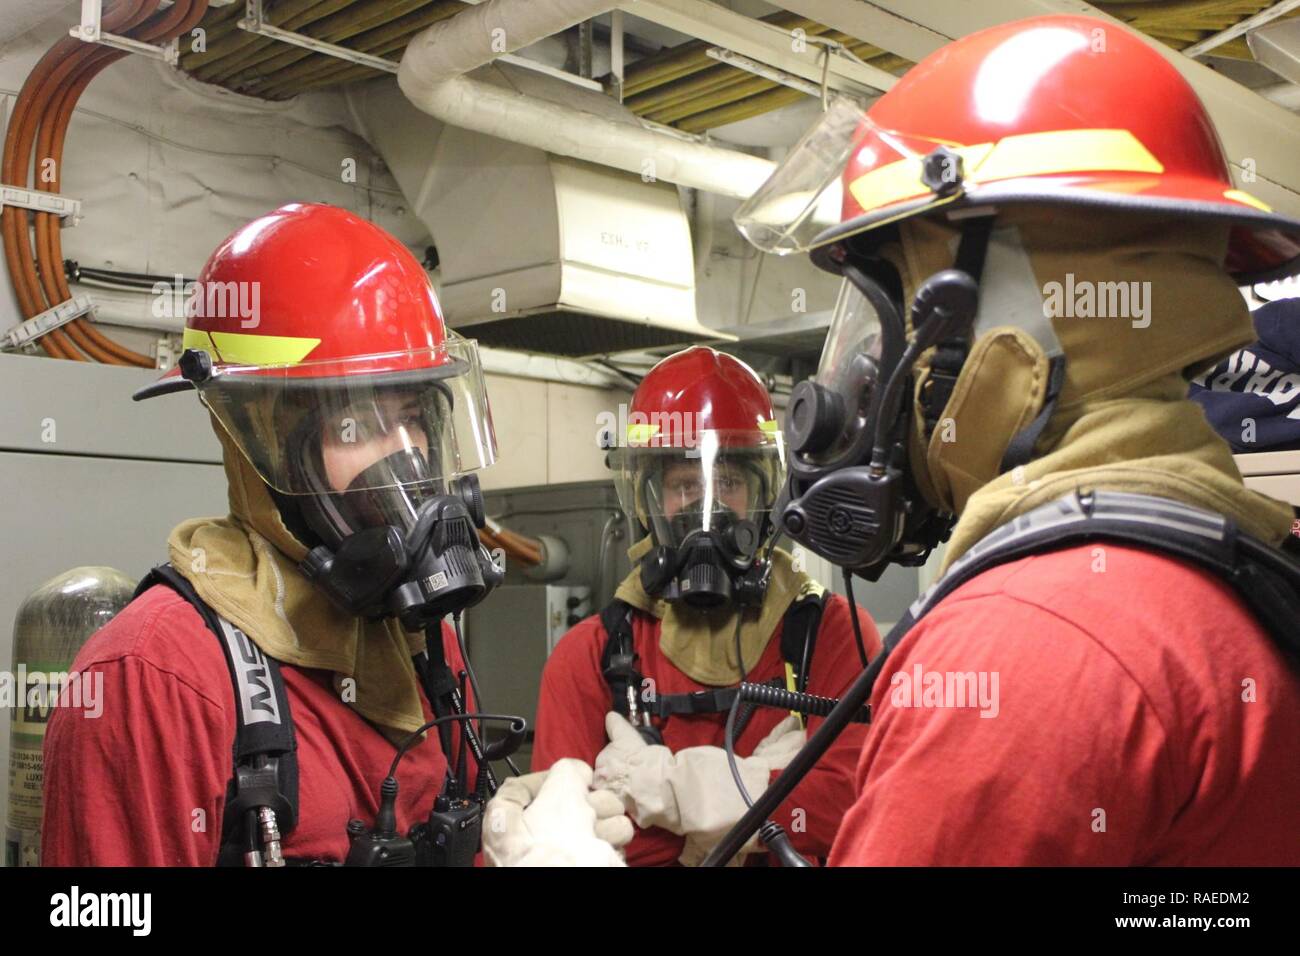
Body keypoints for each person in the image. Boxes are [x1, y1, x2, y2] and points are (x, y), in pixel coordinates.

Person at [731, 13, 1300, 864]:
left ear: (990, 316)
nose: (862, 382)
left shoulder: (1032, 643)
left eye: (889, 315)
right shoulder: (1242, 561)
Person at [41, 202, 610, 866]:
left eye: (416, 416)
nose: (407, 458)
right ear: (260, 443)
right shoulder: (154, 677)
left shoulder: (421, 642)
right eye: (355, 424)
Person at [531, 346, 881, 866]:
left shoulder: (831, 633)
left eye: (728, 483)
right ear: (651, 501)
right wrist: (765, 797)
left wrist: (669, 797)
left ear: (763, 495)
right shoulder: (589, 656)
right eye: (685, 485)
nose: (706, 508)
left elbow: (853, 810)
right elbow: (565, 845)